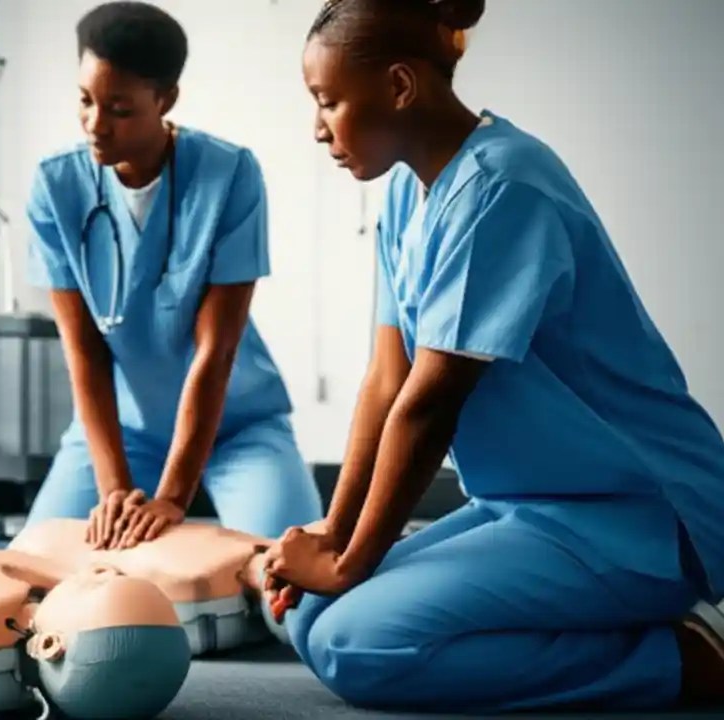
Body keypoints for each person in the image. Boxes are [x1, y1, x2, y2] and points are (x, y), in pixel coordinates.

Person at [261, 0, 724, 712]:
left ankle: (680, 658)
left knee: (357, 644)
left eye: (328, 102)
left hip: (640, 517)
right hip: (529, 505)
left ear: (400, 86)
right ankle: (640, 631)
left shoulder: (503, 184)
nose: (317, 129)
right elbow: (386, 382)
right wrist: (333, 532)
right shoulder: (404, 198)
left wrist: (350, 563)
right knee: (309, 616)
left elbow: (431, 401)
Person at [20, 1, 323, 550]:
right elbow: (84, 351)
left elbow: (217, 350)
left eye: (119, 108)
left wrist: (173, 499)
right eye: (85, 101)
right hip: (122, 431)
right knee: (35, 566)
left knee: (292, 569)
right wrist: (116, 493)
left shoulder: (228, 175)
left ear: (165, 100)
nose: (95, 123)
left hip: (238, 427)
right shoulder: (56, 185)